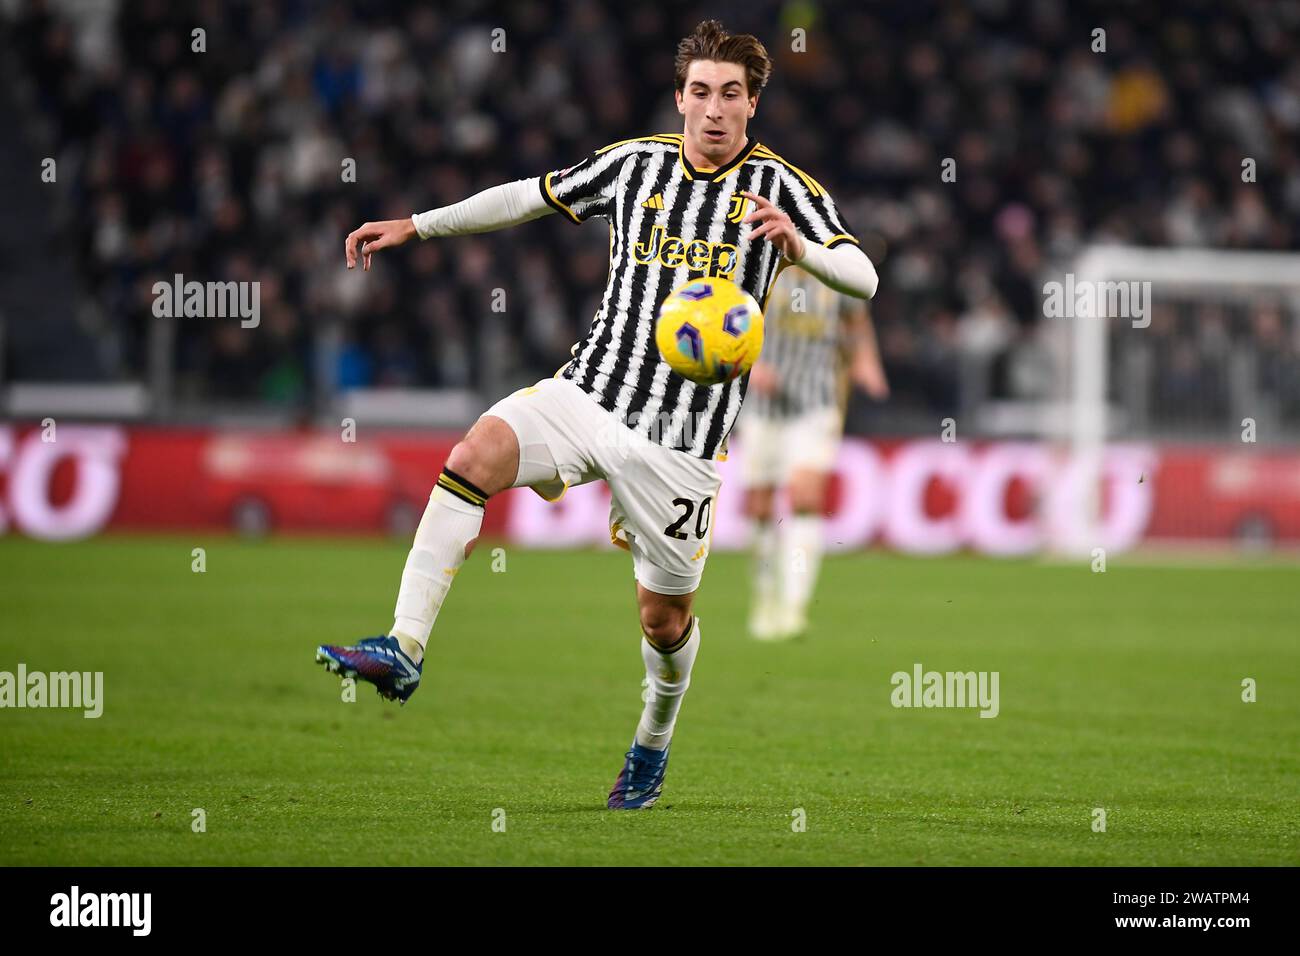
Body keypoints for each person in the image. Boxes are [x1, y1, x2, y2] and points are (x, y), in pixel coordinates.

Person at [316, 20, 878, 809]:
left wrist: (801, 247)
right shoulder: (633, 165)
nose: (714, 110)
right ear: (681, 96)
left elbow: (864, 277)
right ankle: (404, 645)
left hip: (683, 443)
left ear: (753, 104)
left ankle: (652, 742)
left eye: (732, 96)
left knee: (663, 619)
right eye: (701, 93)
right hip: (590, 393)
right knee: (475, 454)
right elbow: (529, 196)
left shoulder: (783, 191)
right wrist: (420, 224)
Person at [738, 264, 889, 640]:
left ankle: (794, 607)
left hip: (816, 402)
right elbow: (727, 319)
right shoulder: (758, 263)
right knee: (760, 505)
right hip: (760, 405)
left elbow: (856, 321)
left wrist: (866, 363)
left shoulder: (838, 266)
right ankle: (765, 598)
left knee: (805, 498)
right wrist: (749, 364)